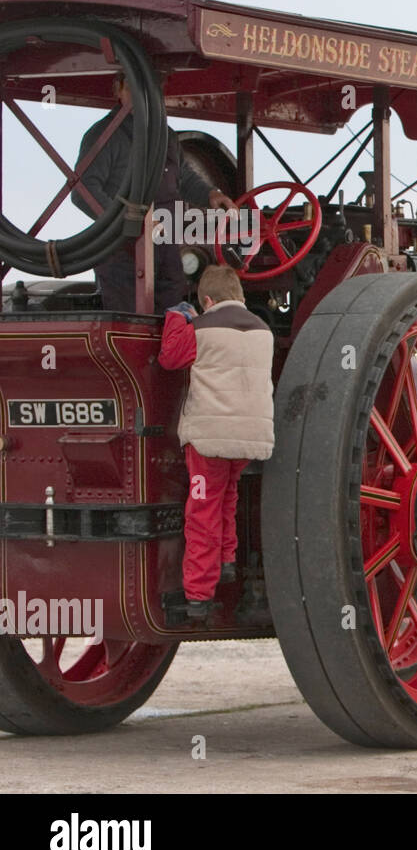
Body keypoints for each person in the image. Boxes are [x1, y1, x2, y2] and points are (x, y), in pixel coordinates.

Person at [158, 265, 274, 619]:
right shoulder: (263, 331)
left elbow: (170, 357)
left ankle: (199, 595)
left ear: (207, 300)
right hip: (251, 434)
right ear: (239, 295)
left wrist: (178, 318)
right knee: (227, 499)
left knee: (202, 512)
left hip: (209, 436)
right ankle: (226, 561)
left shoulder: (201, 327)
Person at [73, 71, 235, 314]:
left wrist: (212, 194)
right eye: (135, 86)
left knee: (171, 318)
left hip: (166, 247)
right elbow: (83, 191)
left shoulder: (166, 135)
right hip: (122, 252)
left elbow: (184, 177)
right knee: (130, 321)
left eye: (151, 88)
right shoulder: (104, 135)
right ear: (118, 89)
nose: (143, 95)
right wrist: (127, 221)